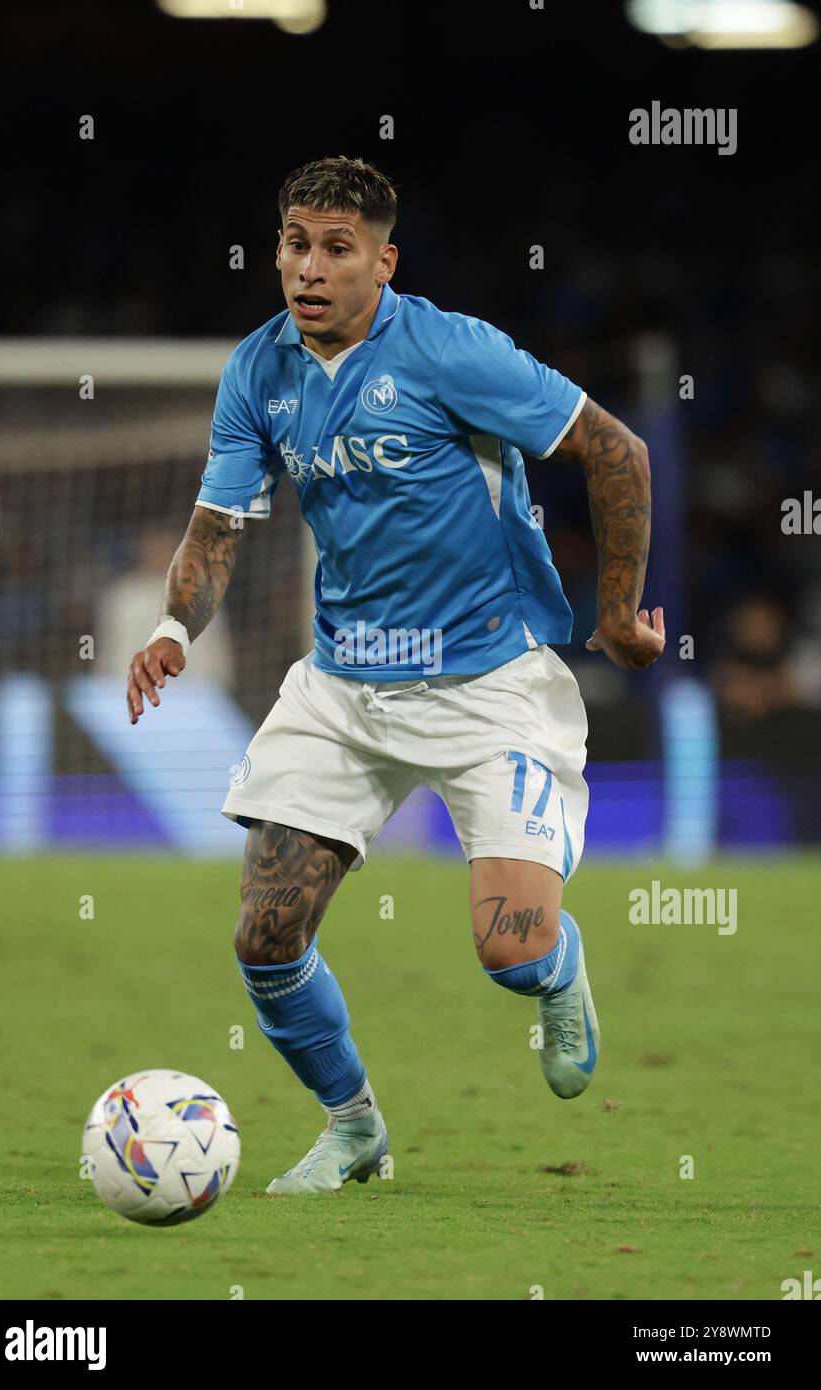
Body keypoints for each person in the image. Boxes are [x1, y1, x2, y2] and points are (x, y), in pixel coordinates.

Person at [126, 156, 665, 1194]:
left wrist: (614, 615)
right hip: (342, 688)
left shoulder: (449, 351)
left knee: (508, 953)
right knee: (265, 934)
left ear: (383, 259)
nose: (309, 269)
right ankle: (354, 1129)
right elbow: (215, 530)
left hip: (487, 686)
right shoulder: (259, 370)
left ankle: (556, 968)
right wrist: (173, 632)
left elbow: (614, 449)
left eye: (336, 249)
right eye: (293, 243)